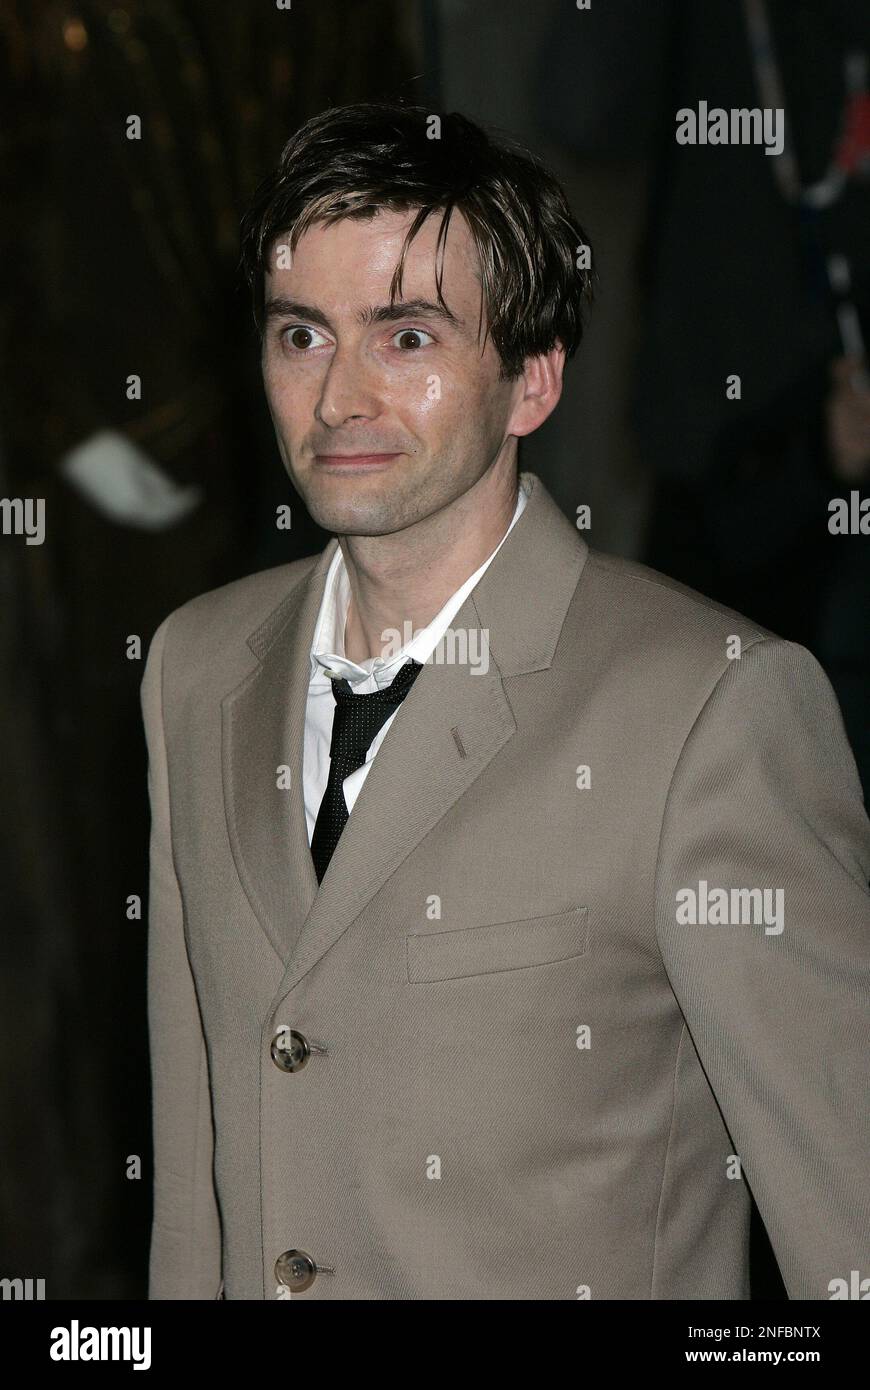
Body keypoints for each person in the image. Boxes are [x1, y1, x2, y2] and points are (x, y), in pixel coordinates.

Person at [141, 101, 870, 1300]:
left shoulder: (712, 712)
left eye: (409, 338)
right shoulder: (193, 668)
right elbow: (191, 1202)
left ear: (531, 380)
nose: (339, 400)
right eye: (302, 336)